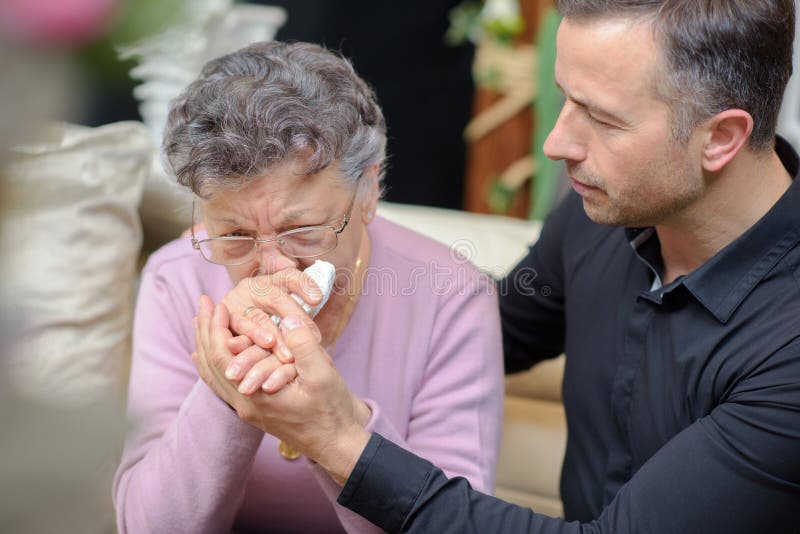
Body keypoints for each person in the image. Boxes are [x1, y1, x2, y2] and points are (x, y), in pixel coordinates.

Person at [193, 0, 800, 532]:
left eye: (604, 119)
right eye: (565, 99)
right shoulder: (601, 220)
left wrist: (338, 440)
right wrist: (288, 321)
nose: (556, 143)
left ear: (721, 138)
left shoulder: (787, 348)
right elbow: (470, 335)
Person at [112, 41, 504, 533]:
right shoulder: (175, 277)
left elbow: (453, 526)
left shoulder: (452, 295)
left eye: (302, 231)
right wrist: (224, 389)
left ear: (367, 193)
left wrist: (335, 430)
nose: (272, 266)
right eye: (235, 235)